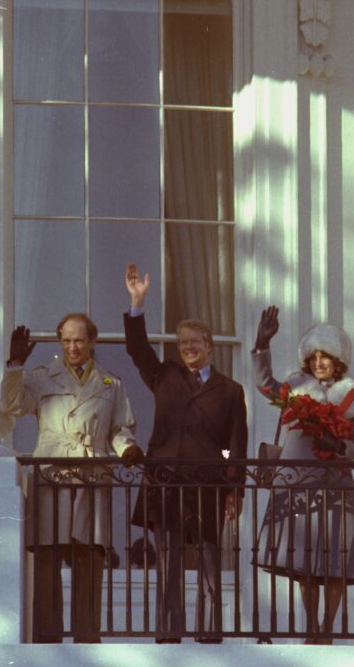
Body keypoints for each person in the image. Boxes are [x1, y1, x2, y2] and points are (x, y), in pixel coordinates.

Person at [123, 263, 248, 644]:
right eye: (183, 343)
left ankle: (209, 633)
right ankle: (169, 632)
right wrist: (137, 304)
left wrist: (234, 489)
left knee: (208, 556)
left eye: (195, 342)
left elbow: (236, 444)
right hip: (165, 481)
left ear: (209, 346)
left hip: (207, 483)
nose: (189, 347)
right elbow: (137, 349)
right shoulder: (164, 376)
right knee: (168, 558)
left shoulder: (230, 390)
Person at [0, 313, 143, 643]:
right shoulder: (43, 377)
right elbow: (11, 405)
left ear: (92, 341)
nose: (72, 347)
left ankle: (86, 634)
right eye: (66, 341)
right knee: (48, 554)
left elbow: (120, 428)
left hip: (92, 473)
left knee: (89, 554)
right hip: (53, 474)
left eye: (78, 340)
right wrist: (16, 366)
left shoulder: (110, 383)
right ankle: (47, 635)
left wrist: (127, 448)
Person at [253, 305, 354, 644]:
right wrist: (262, 345)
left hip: (335, 486)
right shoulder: (295, 386)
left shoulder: (353, 394)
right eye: (314, 357)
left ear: (337, 360)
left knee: (335, 562)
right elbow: (264, 385)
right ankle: (313, 627)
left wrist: (339, 445)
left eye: (325, 356)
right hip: (297, 485)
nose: (319, 362)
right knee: (304, 564)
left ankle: (327, 629)